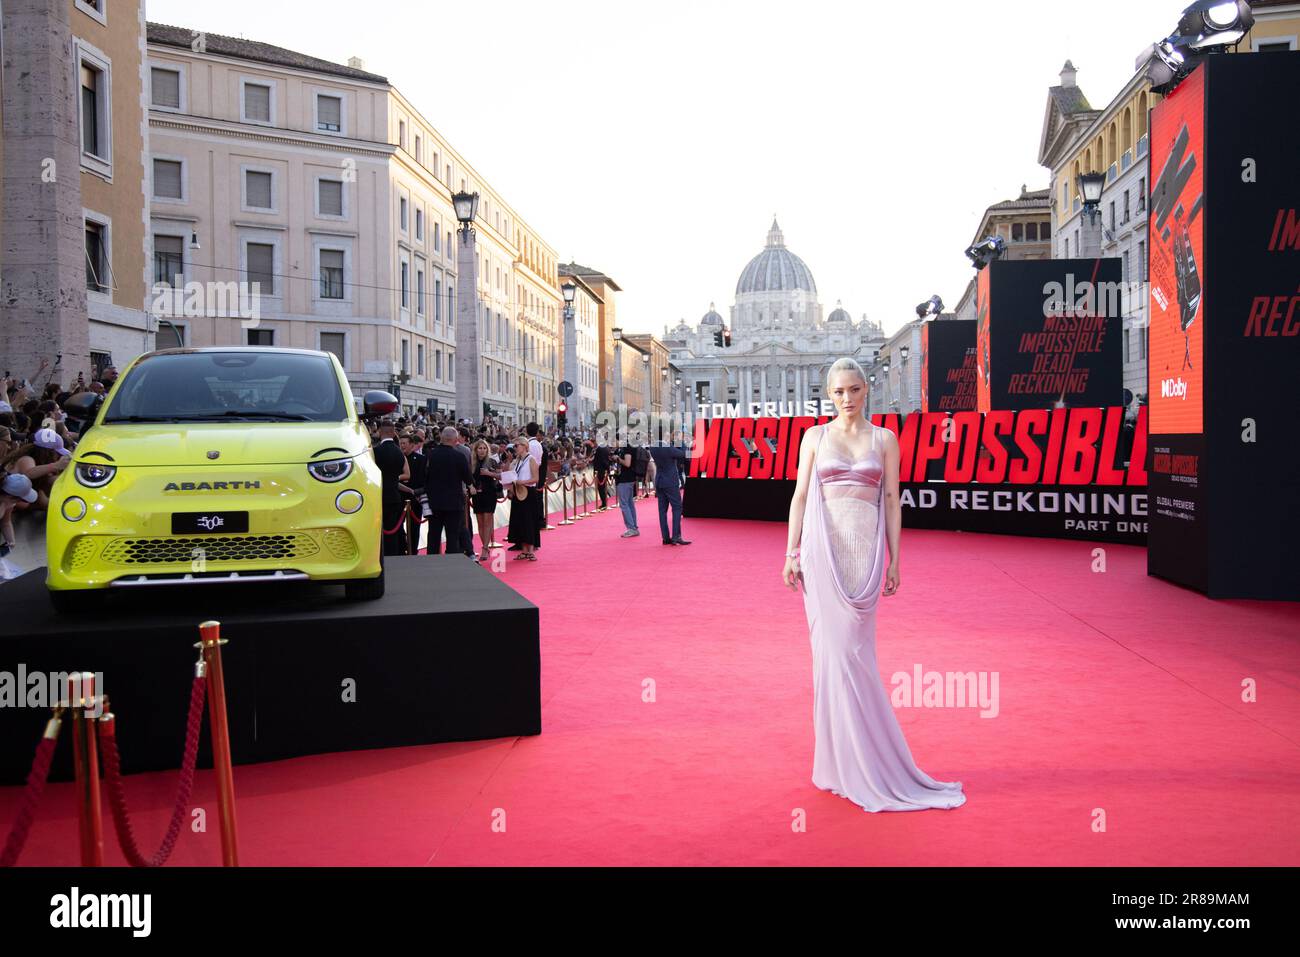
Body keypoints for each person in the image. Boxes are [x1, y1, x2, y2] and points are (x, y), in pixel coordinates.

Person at [783, 357, 965, 813]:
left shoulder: (884, 439)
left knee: (855, 656)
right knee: (830, 655)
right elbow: (801, 495)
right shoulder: (814, 437)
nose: (847, 398)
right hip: (822, 552)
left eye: (855, 390)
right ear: (829, 394)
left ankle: (868, 761)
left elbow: (891, 499)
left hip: (864, 553)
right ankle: (837, 762)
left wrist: (896, 559)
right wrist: (790, 552)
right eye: (839, 391)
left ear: (867, 391)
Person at [423, 426, 473, 556]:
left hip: (434, 501)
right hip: (454, 501)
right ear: (456, 439)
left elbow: (425, 476)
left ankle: (432, 560)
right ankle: (452, 561)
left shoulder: (431, 455)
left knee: (433, 533)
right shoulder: (459, 456)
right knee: (453, 535)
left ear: (441, 438)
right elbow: (468, 478)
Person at [373, 417, 409, 556]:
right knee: (392, 530)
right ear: (393, 433)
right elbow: (403, 472)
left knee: (379, 531)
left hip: (379, 496)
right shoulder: (399, 452)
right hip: (394, 496)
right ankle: (393, 555)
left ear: (380, 432)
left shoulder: (376, 452)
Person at [649, 438, 690, 545]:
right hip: (670, 481)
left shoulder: (653, 447)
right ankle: (676, 536)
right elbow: (684, 454)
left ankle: (665, 537)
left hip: (659, 480)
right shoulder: (667, 447)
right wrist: (681, 442)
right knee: (677, 508)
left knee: (662, 511)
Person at [505, 437, 539, 561]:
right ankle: (524, 550)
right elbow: (511, 474)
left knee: (529, 520)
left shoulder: (531, 459)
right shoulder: (517, 461)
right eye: (514, 446)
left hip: (528, 492)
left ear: (524, 445)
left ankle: (530, 550)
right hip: (518, 492)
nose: (515, 448)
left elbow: (536, 479)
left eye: (517, 445)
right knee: (520, 521)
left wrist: (522, 482)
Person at [470, 439, 502, 561]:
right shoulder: (472, 463)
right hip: (477, 494)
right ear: (476, 450)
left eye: (484, 448)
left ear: (487, 450)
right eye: (479, 448)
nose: (482, 450)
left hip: (490, 493)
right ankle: (486, 546)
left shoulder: (493, 462)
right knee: (480, 521)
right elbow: (467, 478)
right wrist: (471, 487)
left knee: (487, 519)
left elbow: (501, 476)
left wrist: (489, 473)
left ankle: (484, 547)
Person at [400, 432, 428, 554]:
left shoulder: (421, 459)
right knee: (398, 526)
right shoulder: (398, 458)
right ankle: (403, 547)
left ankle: (413, 551)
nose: (402, 446)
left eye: (404, 443)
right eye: (400, 443)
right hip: (400, 497)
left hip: (415, 498)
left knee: (415, 527)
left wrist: (417, 492)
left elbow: (424, 480)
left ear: (412, 445)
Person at [615, 433, 640, 537]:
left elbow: (627, 463)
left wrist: (618, 459)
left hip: (625, 479)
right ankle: (633, 527)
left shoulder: (627, 448)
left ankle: (631, 528)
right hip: (628, 478)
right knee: (629, 503)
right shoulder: (626, 447)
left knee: (624, 504)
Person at [591, 440, 611, 511]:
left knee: (601, 487)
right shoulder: (606, 448)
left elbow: (600, 460)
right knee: (603, 487)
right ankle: (604, 502)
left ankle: (604, 503)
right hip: (604, 469)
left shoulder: (600, 449)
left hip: (600, 470)